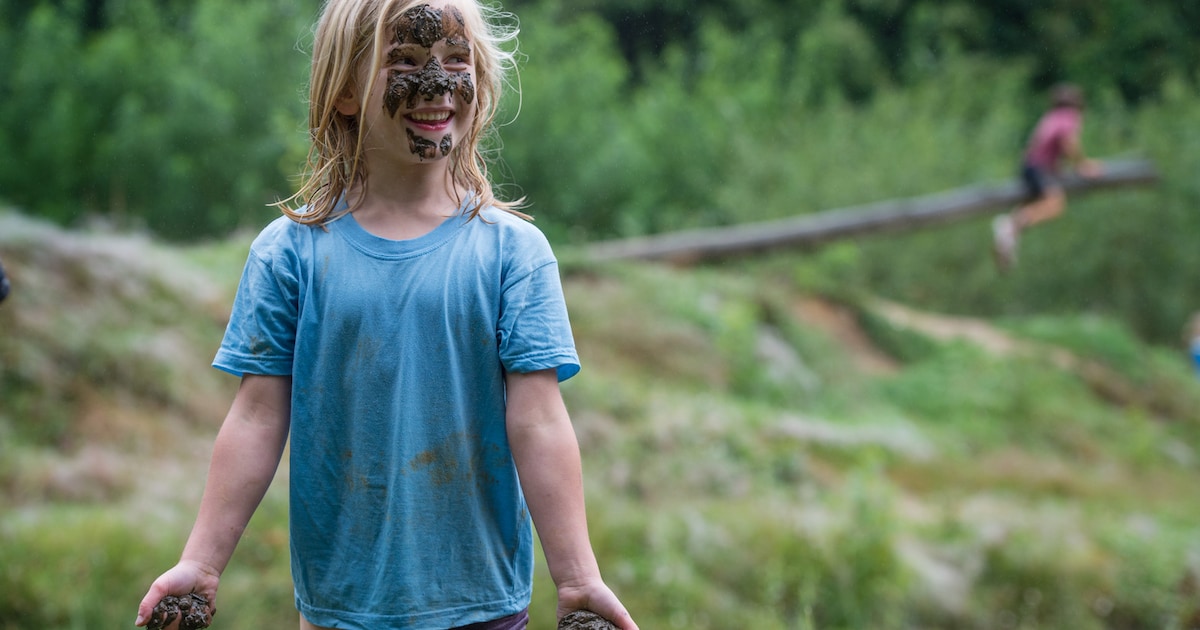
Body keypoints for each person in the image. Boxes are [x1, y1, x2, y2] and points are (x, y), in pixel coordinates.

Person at [135, 1, 639, 628]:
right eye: (404, 61)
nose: (438, 85)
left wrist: (579, 577)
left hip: (480, 606)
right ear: (344, 91)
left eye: (457, 62)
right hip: (341, 608)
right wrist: (202, 563)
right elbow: (258, 415)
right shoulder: (290, 253)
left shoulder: (514, 253)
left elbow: (538, 420)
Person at [992, 83, 1102, 270]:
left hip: (1030, 166)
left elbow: (1044, 146)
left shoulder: (1051, 116)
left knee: (1033, 206)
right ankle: (1010, 225)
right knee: (1055, 205)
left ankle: (1008, 240)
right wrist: (1083, 164)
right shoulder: (1069, 116)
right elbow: (1068, 143)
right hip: (1039, 168)